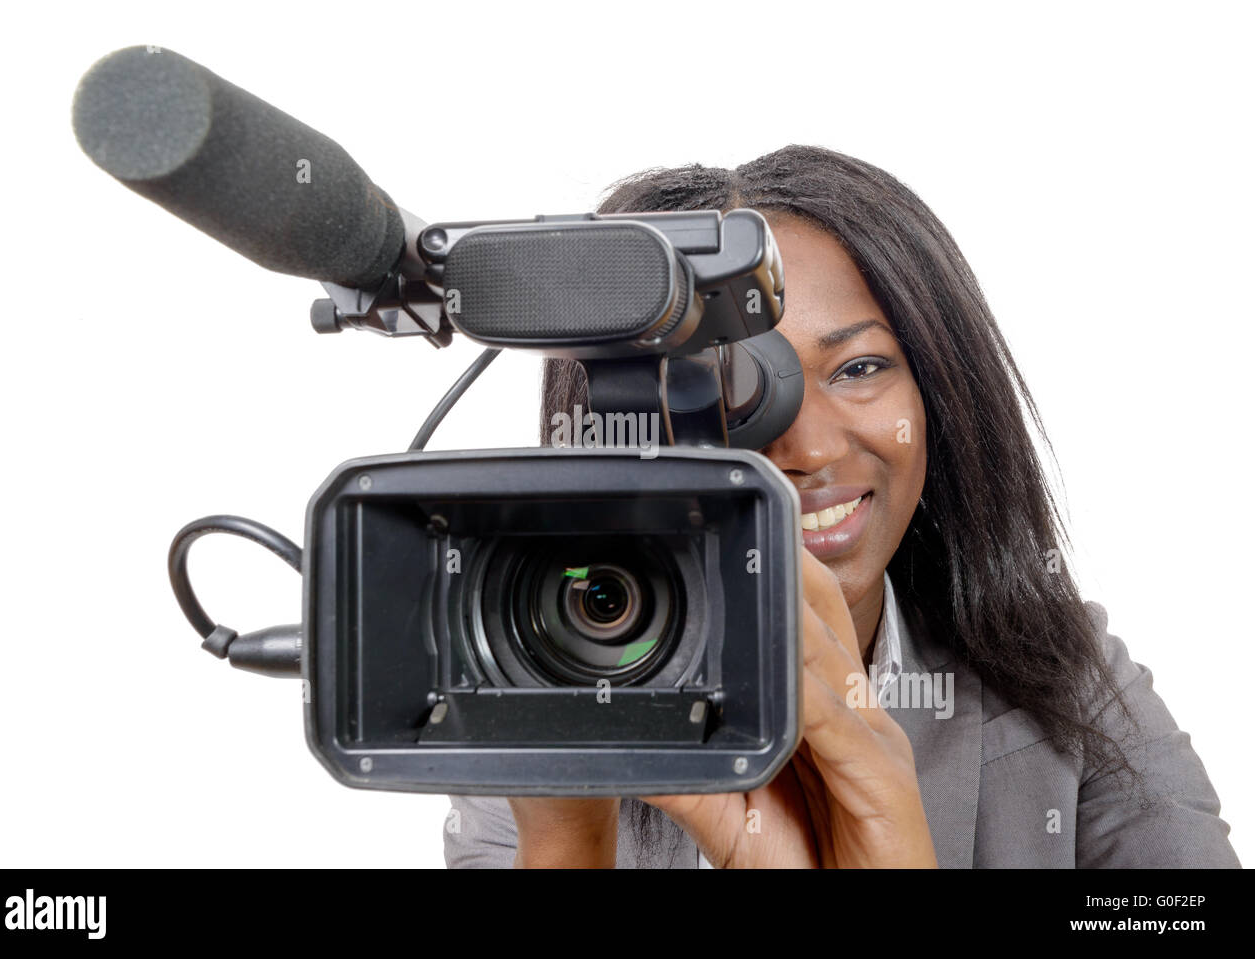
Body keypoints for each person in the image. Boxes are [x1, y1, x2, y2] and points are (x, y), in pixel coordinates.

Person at [442, 144, 1240, 868]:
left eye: (858, 368)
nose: (809, 449)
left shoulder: (1071, 678)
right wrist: (568, 839)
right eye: (727, 393)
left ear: (937, 393)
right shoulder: (528, 697)